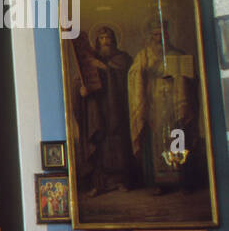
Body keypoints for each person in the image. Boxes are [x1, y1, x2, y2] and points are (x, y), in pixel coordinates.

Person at [128, 16, 197, 195]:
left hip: (174, 102)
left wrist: (182, 76)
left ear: (167, 35)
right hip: (154, 105)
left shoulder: (178, 54)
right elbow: (134, 75)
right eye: (155, 35)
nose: (158, 38)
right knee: (156, 142)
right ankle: (160, 183)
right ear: (150, 36)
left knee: (177, 138)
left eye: (162, 34)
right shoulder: (143, 55)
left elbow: (190, 79)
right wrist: (140, 71)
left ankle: (181, 180)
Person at [75, 25, 136, 197]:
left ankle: (121, 181)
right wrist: (81, 89)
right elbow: (79, 79)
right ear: (97, 41)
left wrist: (104, 68)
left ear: (114, 39)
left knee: (118, 143)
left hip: (117, 108)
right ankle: (99, 183)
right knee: (99, 143)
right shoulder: (91, 58)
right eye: (101, 38)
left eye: (108, 37)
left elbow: (128, 80)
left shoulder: (123, 58)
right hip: (98, 109)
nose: (105, 41)